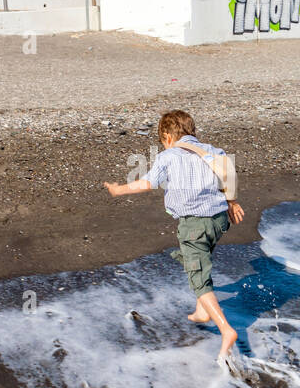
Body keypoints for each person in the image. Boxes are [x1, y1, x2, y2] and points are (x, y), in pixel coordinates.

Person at [103, 109, 244, 360]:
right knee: (203, 261)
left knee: (197, 276)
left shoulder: (169, 156)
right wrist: (232, 202)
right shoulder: (214, 151)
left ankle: (226, 330)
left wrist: (118, 190)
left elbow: (147, 183)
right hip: (219, 219)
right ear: (191, 132)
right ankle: (202, 311)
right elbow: (228, 174)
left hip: (194, 224)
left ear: (167, 136)